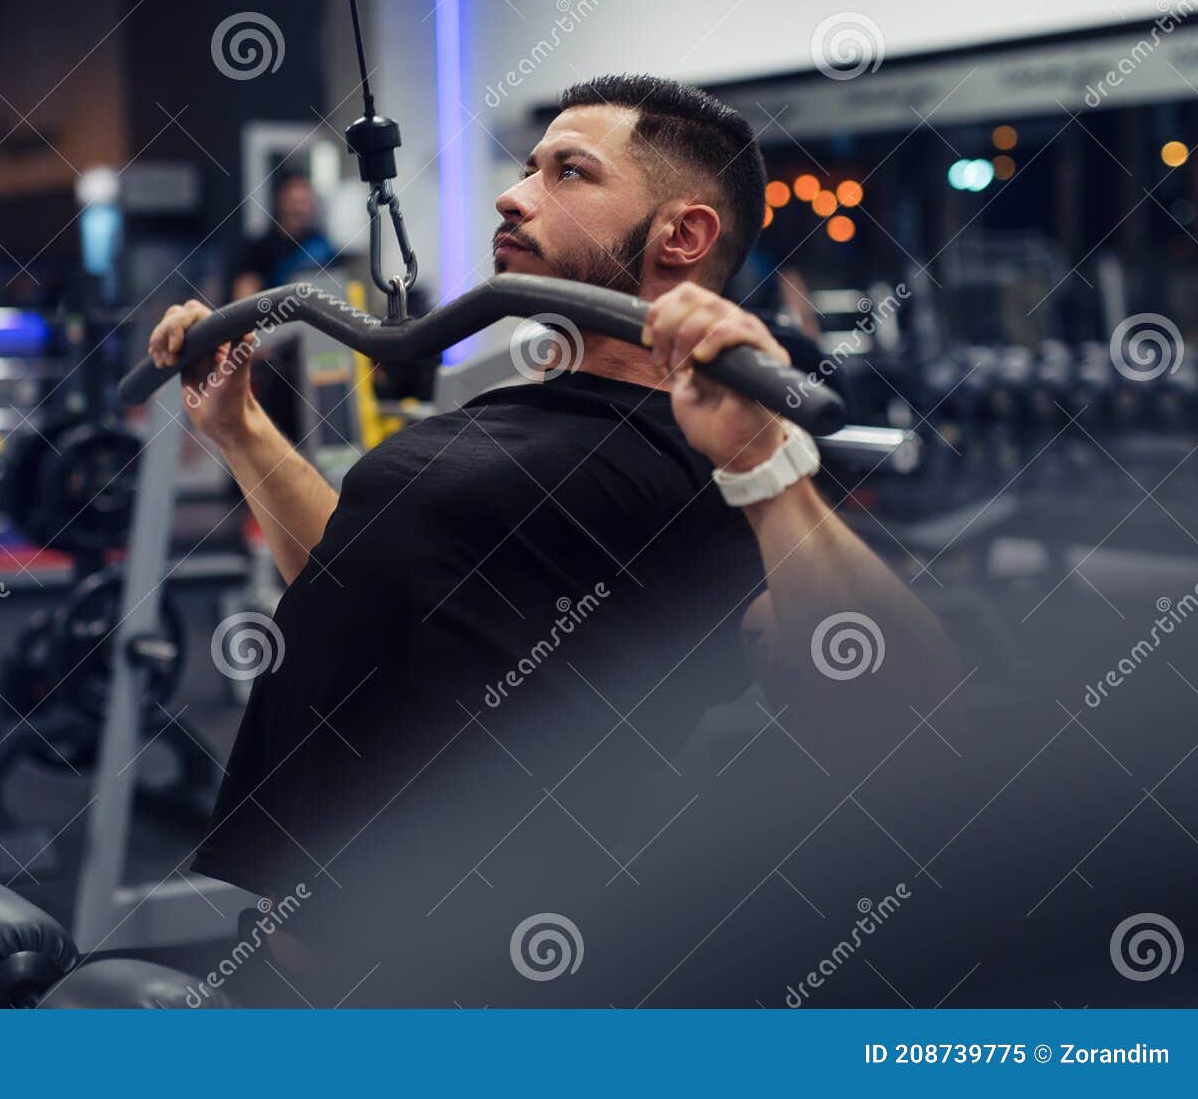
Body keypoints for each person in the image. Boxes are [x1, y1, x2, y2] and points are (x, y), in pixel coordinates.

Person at [151, 74, 961, 1006]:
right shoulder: (504, 409)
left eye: (569, 172)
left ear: (681, 236)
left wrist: (767, 466)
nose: (514, 192)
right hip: (285, 974)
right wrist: (240, 429)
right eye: (529, 167)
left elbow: (916, 721)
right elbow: (350, 576)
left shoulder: (710, 458)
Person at [229, 169, 339, 300]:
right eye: (294, 203)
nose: (300, 210)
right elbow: (244, 300)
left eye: (304, 203)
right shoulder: (258, 250)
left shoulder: (323, 246)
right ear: (280, 202)